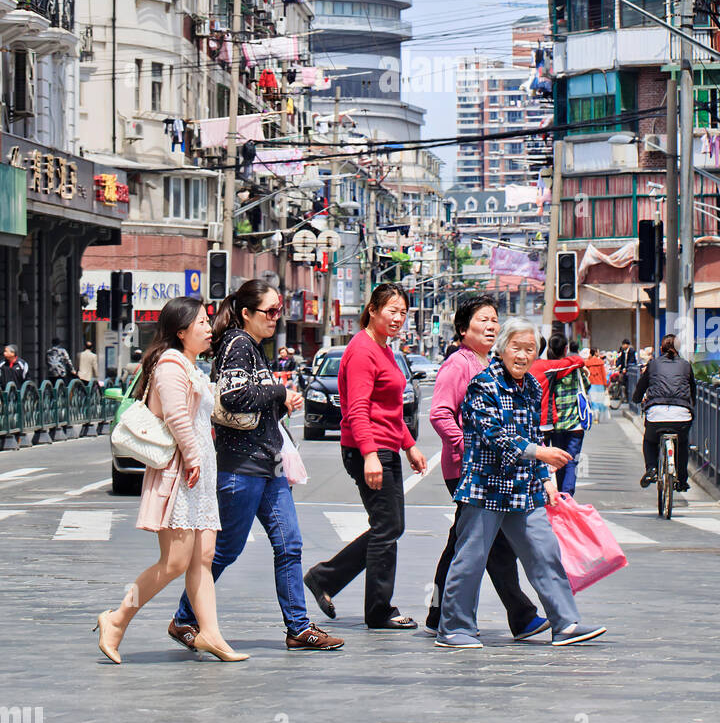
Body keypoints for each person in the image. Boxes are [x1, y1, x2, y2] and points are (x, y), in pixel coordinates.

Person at [169, 278, 343, 653]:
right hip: (242, 466)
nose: (276, 318)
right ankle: (185, 617)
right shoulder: (238, 344)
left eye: (279, 311)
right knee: (225, 550)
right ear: (246, 313)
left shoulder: (255, 348)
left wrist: (280, 403)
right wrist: (280, 392)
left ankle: (298, 627)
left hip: (270, 464)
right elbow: (234, 396)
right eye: (270, 311)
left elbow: (254, 404)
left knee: (290, 544)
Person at [435, 318, 607, 649]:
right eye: (517, 347)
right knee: (470, 558)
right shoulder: (482, 385)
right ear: (501, 349)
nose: (524, 355)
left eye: (530, 349)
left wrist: (546, 478)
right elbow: (494, 434)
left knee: (545, 553)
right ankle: (454, 627)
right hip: (485, 488)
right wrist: (539, 454)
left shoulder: (532, 386)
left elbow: (532, 431)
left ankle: (565, 623)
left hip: (524, 489)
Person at [94, 297, 248, 664]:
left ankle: (210, 633)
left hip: (199, 473)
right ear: (181, 331)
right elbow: (178, 418)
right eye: (201, 323)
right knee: (175, 562)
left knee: (203, 559)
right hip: (180, 473)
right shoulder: (170, 365)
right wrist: (194, 458)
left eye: (208, 322)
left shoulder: (193, 366)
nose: (209, 328)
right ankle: (116, 618)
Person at [304, 283, 427, 630]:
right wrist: (370, 454)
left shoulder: (385, 349)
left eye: (403, 312)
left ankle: (325, 579)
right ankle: (377, 609)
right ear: (372, 310)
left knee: (390, 526)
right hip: (367, 448)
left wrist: (409, 445)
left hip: (385, 446)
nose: (398, 318)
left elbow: (388, 409)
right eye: (391, 310)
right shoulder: (361, 350)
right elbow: (357, 409)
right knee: (388, 527)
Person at [426, 294, 547, 640]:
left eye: (494, 320)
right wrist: (467, 447)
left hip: (492, 471)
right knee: (492, 547)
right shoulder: (459, 365)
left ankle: (438, 613)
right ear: (463, 329)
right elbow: (440, 413)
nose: (491, 325)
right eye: (482, 320)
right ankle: (520, 616)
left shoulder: (488, 362)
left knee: (462, 545)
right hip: (469, 470)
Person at [633, 334, 696, 492]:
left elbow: (641, 386)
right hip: (682, 414)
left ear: (661, 349)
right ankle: (681, 480)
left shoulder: (653, 364)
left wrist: (636, 399)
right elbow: (693, 390)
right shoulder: (686, 365)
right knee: (682, 444)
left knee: (649, 440)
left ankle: (652, 468)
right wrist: (691, 405)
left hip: (656, 413)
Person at [532, 340, 590, 498]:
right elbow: (581, 370)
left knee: (540, 461)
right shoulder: (549, 368)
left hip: (553, 425)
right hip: (557, 423)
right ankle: (565, 497)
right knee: (566, 461)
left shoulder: (516, 367)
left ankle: (539, 498)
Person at [584, 347, 610, 422]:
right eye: (597, 352)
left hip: (591, 383)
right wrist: (605, 384)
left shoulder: (588, 362)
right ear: (595, 352)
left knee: (593, 400)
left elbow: (586, 374)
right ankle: (598, 414)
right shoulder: (600, 362)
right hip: (600, 383)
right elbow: (603, 374)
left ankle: (595, 416)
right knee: (600, 400)